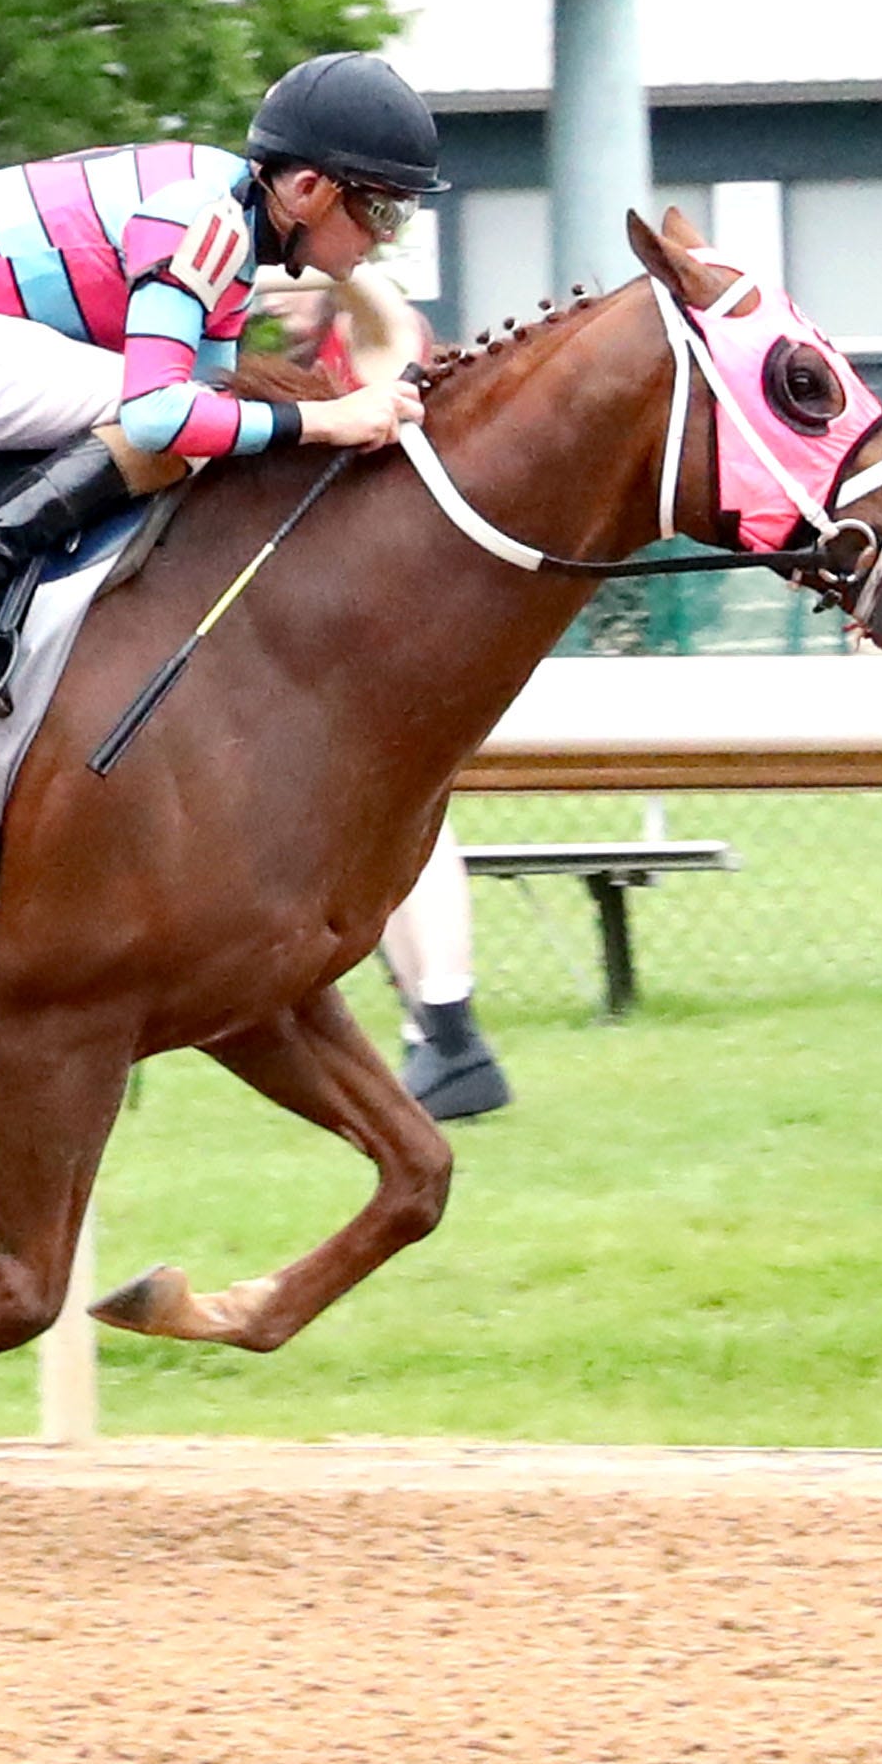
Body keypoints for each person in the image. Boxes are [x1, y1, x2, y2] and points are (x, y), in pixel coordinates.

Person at [0, 52, 441, 712]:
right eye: (383, 211)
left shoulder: (233, 223)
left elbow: (214, 405)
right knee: (172, 417)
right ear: (309, 189)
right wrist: (328, 420)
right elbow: (157, 417)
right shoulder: (207, 226)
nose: (386, 238)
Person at [267, 261, 512, 1124]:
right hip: (365, 619)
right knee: (373, 825)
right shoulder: (302, 358)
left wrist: (331, 254)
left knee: (402, 820)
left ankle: (448, 1029)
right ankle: (438, 1032)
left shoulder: (366, 340)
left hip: (398, 615)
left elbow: (385, 321)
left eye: (285, 280)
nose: (273, 295)